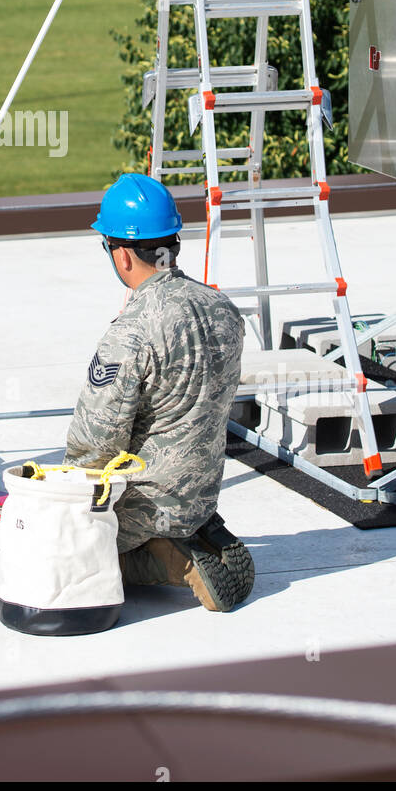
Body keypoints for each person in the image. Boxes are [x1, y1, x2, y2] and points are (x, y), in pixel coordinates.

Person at [63, 173, 254, 611]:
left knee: (64, 552)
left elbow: (94, 443)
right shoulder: (221, 308)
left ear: (123, 255)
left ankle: (167, 556)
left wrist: (65, 508)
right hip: (201, 493)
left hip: (147, 502)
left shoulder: (131, 333)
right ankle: (197, 531)